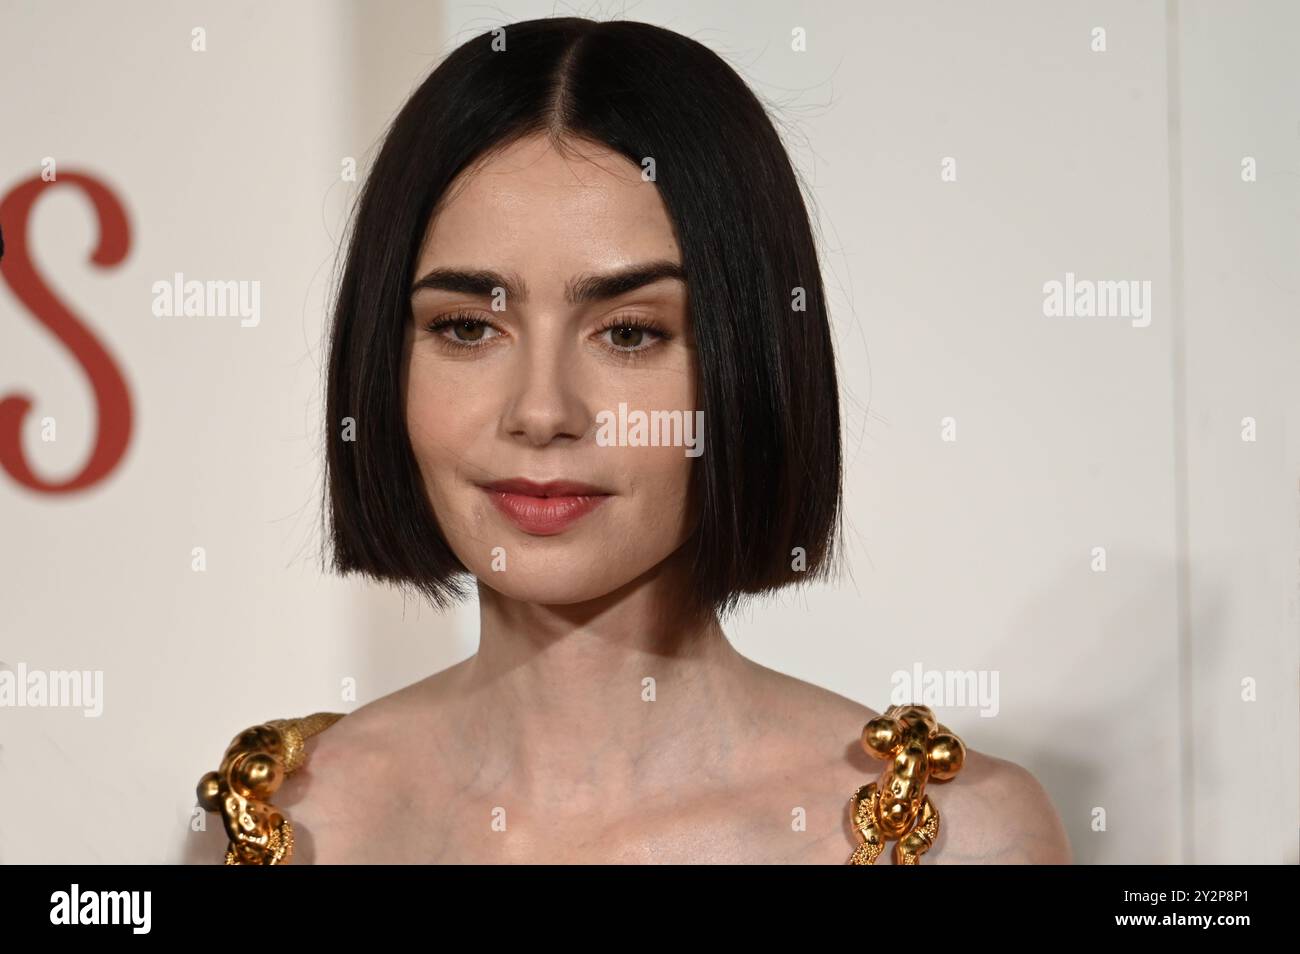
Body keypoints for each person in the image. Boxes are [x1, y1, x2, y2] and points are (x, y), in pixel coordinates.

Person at [194, 15, 1070, 864]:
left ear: (748, 361)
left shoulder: (952, 836)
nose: (541, 413)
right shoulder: (271, 830)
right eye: (467, 327)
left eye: (629, 333)